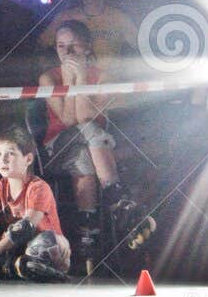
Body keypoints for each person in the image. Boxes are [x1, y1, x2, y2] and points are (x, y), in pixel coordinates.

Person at [32, 21, 154, 264]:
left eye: (73, 46)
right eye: (61, 46)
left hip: (90, 151)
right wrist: (75, 80)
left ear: (87, 46)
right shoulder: (48, 78)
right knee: (89, 134)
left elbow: (86, 116)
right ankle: (117, 199)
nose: (67, 52)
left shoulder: (103, 78)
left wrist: (81, 78)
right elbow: (69, 120)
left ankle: (89, 235)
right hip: (58, 148)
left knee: (84, 156)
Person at [0, 128, 71, 281]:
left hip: (44, 247)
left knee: (42, 242)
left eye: (11, 154)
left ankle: (10, 266)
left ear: (28, 159)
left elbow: (26, 227)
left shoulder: (39, 188)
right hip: (15, 248)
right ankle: (11, 267)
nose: (3, 160)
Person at [39, 0, 138, 66]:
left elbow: (140, 47)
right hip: (75, 76)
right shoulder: (65, 17)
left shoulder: (120, 18)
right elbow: (41, 46)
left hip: (110, 77)